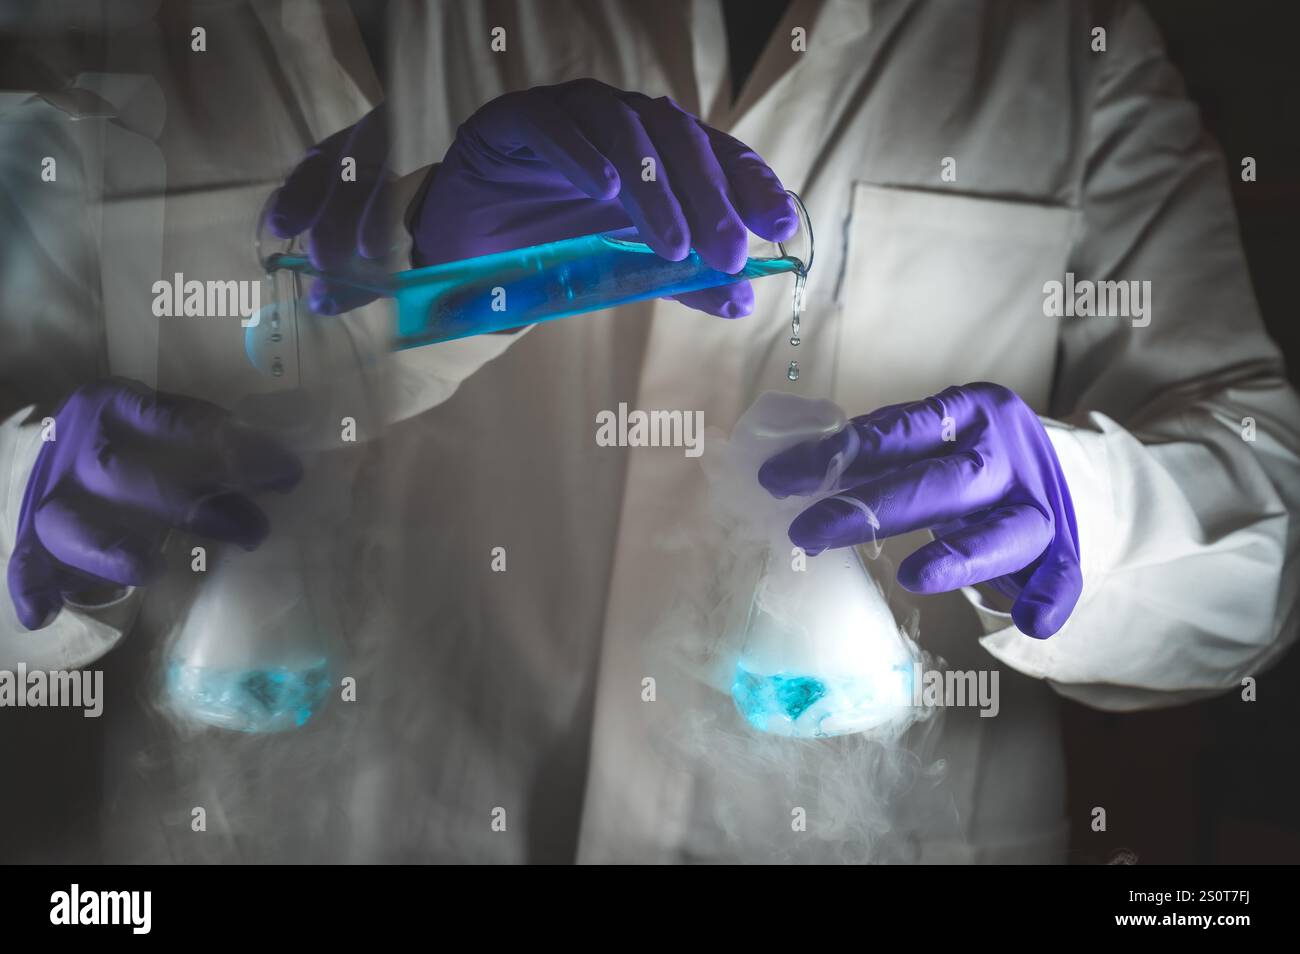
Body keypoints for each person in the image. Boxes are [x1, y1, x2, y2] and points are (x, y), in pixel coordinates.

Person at [3, 0, 1297, 863]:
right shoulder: (109, 35)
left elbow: (1269, 517)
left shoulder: (1060, 39)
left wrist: (1092, 507)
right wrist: (25, 507)